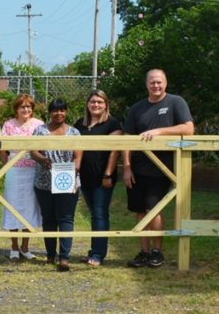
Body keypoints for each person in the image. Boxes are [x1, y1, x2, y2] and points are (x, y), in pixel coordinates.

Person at [123, 69, 194, 268]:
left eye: (159, 82)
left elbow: (188, 128)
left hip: (163, 170)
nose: (156, 86)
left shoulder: (175, 102)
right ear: (146, 84)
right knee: (139, 211)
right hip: (137, 169)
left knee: (153, 209)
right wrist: (127, 167)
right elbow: (127, 140)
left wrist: (159, 131)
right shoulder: (137, 108)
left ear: (166, 83)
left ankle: (157, 251)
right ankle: (144, 252)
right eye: (152, 82)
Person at [30, 99, 82, 272]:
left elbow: (78, 157)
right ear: (50, 112)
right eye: (55, 110)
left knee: (66, 218)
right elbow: (33, 151)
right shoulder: (40, 130)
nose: (58, 113)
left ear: (66, 112)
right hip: (44, 183)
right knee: (49, 218)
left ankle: (64, 257)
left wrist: (72, 174)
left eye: (62, 110)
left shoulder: (74, 133)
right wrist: (42, 159)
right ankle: (50, 254)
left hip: (67, 181)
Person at [74, 90, 122, 267]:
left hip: (103, 177)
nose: (96, 105)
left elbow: (115, 151)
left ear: (106, 104)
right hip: (85, 176)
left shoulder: (112, 123)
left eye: (100, 102)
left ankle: (98, 254)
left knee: (100, 213)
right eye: (93, 101)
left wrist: (108, 174)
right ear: (88, 104)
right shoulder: (80, 124)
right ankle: (93, 251)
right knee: (94, 214)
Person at [0, 93, 43, 262]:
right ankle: (14, 246)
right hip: (14, 171)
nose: (25, 109)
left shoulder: (39, 125)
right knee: (13, 205)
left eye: (28, 107)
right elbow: (1, 148)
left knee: (30, 207)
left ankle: (25, 247)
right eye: (22, 106)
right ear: (16, 109)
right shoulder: (9, 125)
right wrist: (7, 165)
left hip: (33, 170)